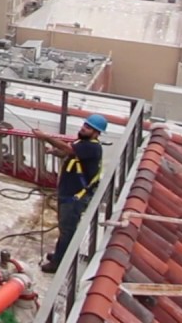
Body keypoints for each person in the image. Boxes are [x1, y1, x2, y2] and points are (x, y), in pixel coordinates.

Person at [36, 114, 106, 274]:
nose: (83, 128)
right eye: (84, 125)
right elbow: (70, 153)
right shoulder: (83, 143)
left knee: (67, 229)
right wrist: (54, 152)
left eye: (88, 127)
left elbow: (69, 149)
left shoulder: (92, 147)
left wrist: (45, 137)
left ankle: (59, 262)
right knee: (64, 227)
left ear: (96, 133)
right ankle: (59, 255)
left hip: (75, 196)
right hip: (69, 192)